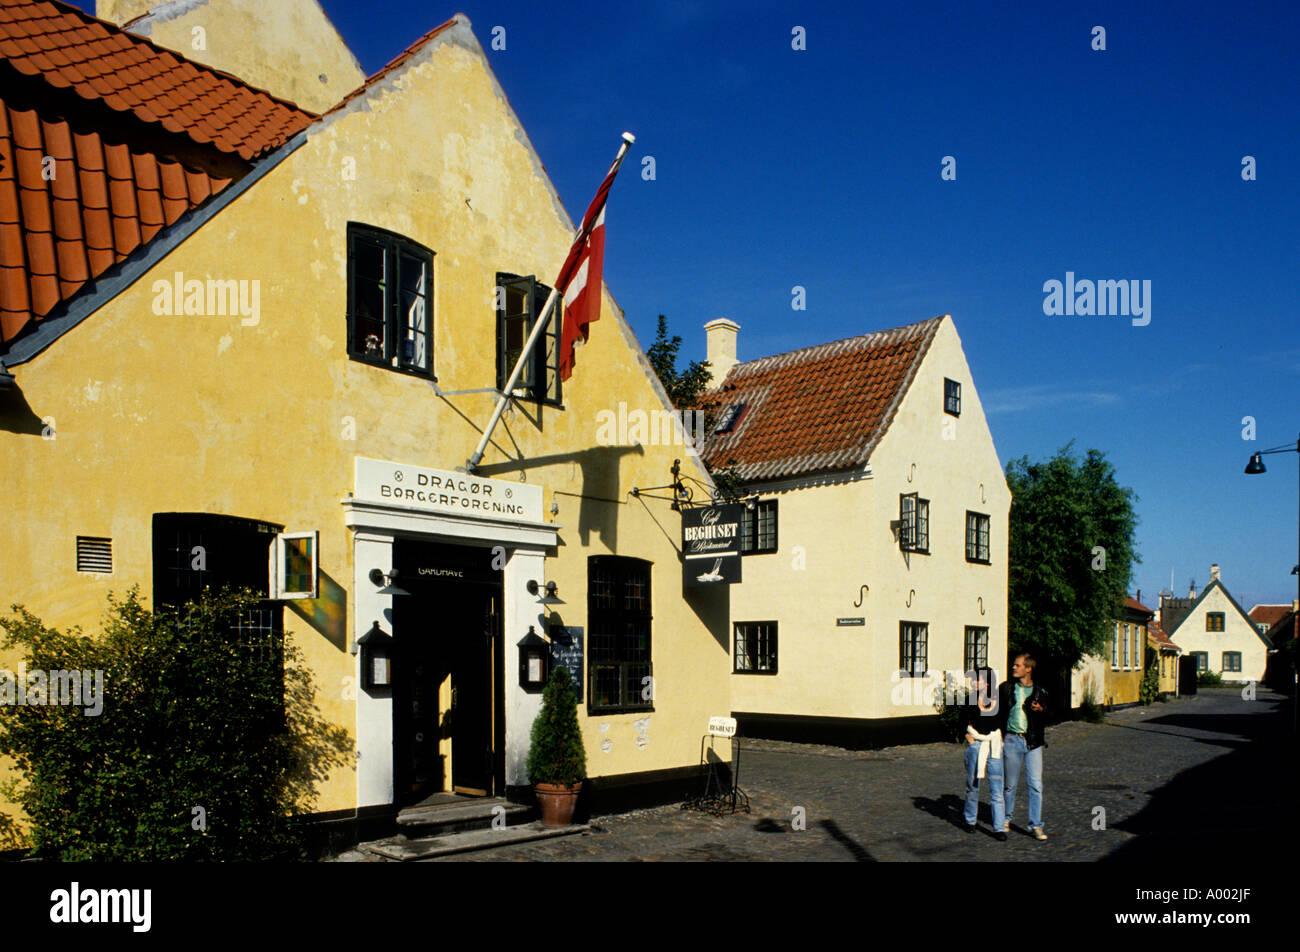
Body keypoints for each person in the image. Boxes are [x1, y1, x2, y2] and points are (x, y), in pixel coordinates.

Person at [999, 653, 1049, 840]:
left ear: (1028, 669)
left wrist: (1041, 710)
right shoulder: (1006, 688)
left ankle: (1035, 825)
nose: (1013, 667)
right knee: (1010, 785)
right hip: (1012, 740)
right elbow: (997, 711)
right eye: (1014, 665)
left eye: (1017, 665)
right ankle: (1005, 819)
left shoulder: (1040, 692)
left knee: (1036, 785)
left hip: (1033, 743)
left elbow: (1050, 714)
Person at [960, 667, 1007, 840]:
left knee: (996, 788)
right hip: (976, 745)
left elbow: (1005, 721)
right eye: (973, 679)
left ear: (988, 682)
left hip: (993, 747)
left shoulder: (999, 700)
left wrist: (1000, 740)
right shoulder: (970, 700)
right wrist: (969, 738)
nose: (974, 682)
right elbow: (961, 722)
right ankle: (970, 820)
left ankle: (999, 827)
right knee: (973, 785)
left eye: (978, 679)